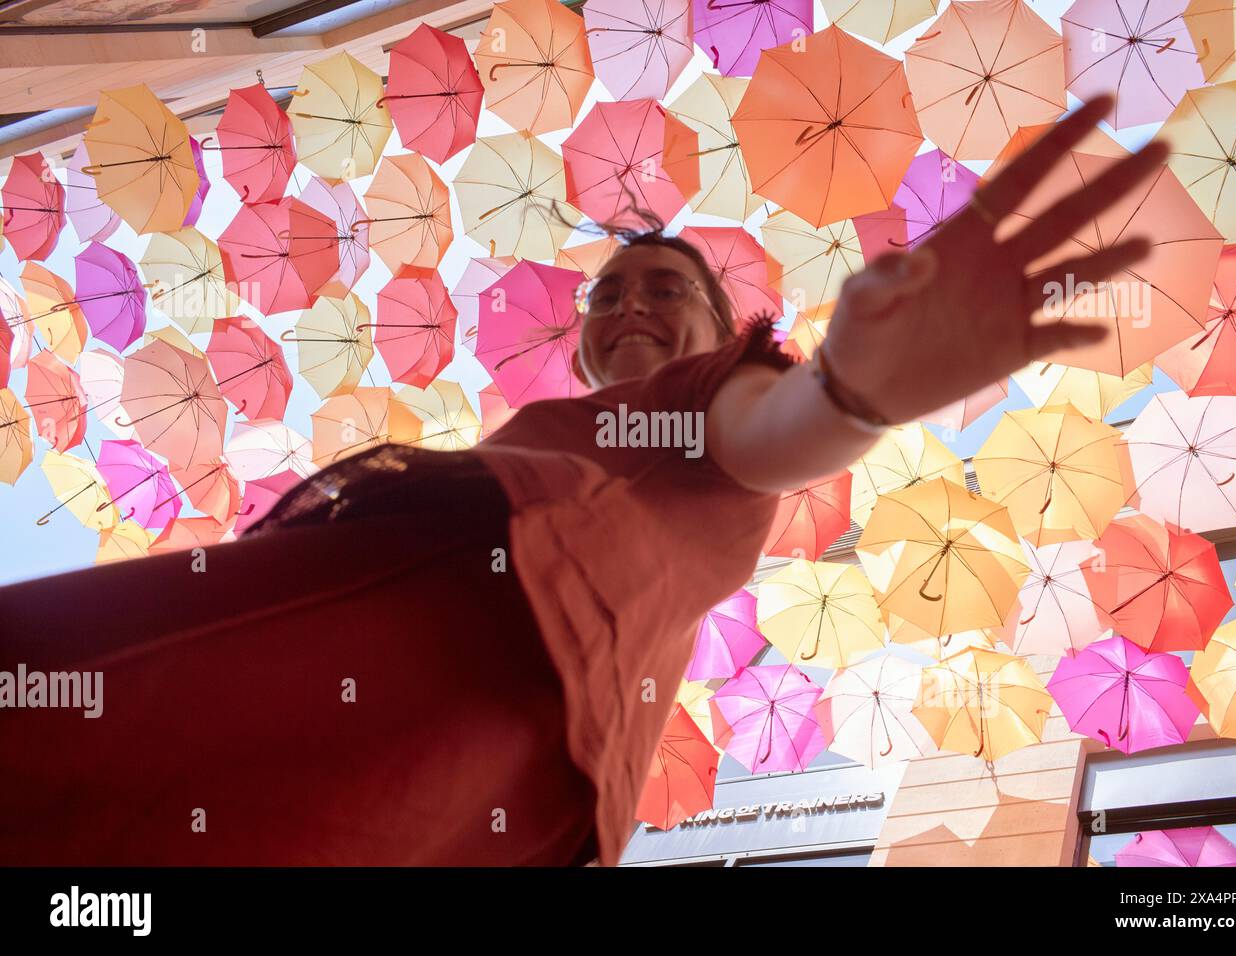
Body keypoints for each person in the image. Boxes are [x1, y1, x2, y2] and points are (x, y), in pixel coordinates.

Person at [0, 96, 1166, 867]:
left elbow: (777, 430)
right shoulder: (557, 419)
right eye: (609, 296)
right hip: (503, 730)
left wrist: (855, 390)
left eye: (664, 287)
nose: (631, 305)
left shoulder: (721, 390)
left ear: (719, 325)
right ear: (584, 341)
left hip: (464, 647)